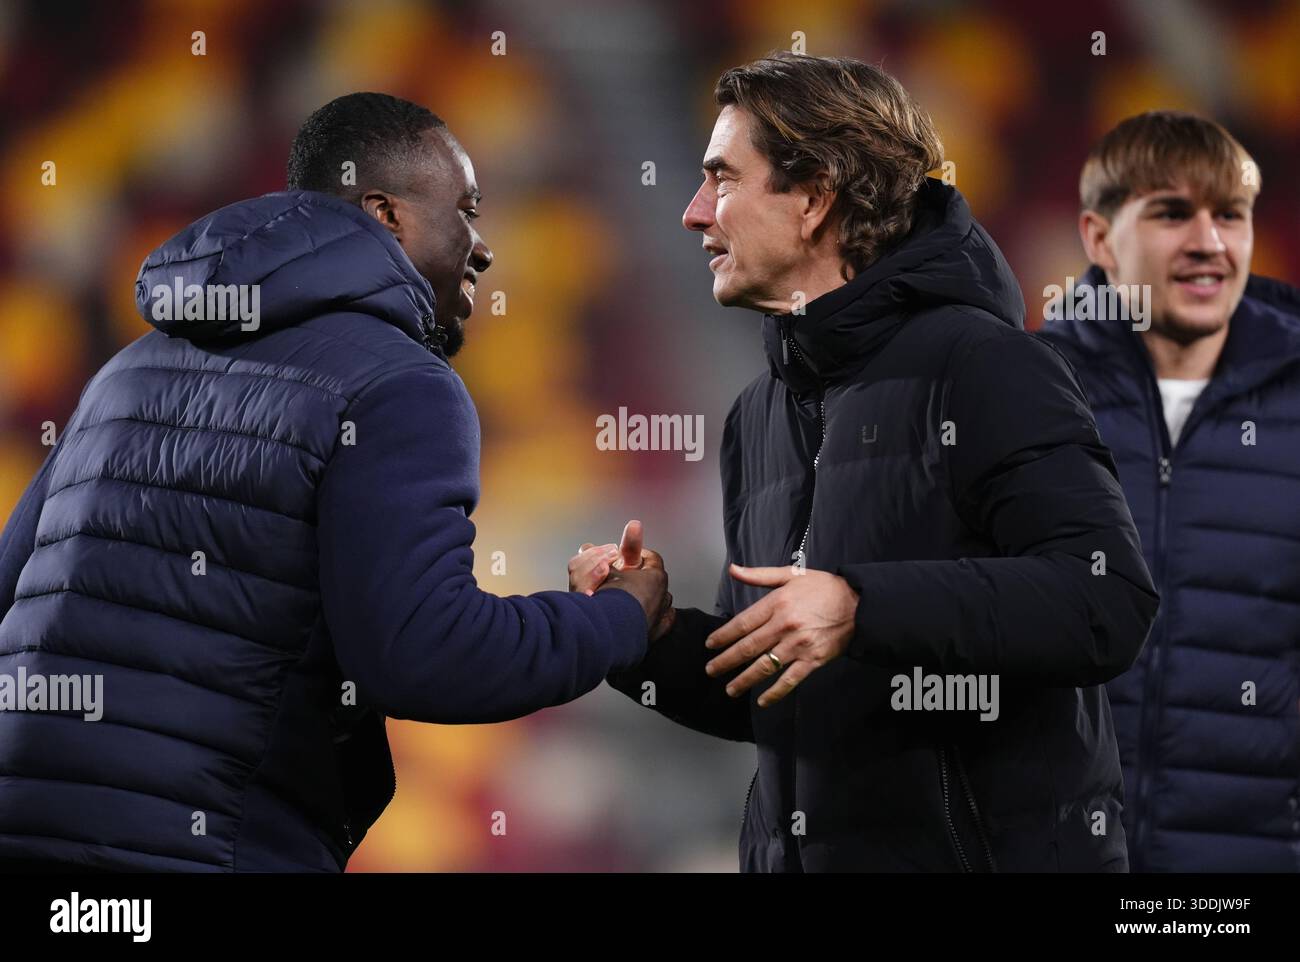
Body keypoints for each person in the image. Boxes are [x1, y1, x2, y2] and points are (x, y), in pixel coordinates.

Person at [0, 92, 667, 872]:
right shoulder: (395, 384)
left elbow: (13, 599)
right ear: (386, 213)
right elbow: (425, 656)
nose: (483, 247)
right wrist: (619, 619)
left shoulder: (126, 372)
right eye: (467, 211)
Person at [573, 54, 1158, 872]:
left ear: (814, 198)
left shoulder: (985, 365)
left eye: (722, 179)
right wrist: (647, 633)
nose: (693, 212)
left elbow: (1106, 599)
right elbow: (774, 691)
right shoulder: (758, 413)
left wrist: (861, 605)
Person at [1039, 111, 1300, 872]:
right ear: (1096, 237)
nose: (1208, 242)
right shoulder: (1018, 395)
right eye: (1172, 213)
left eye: (1231, 214)